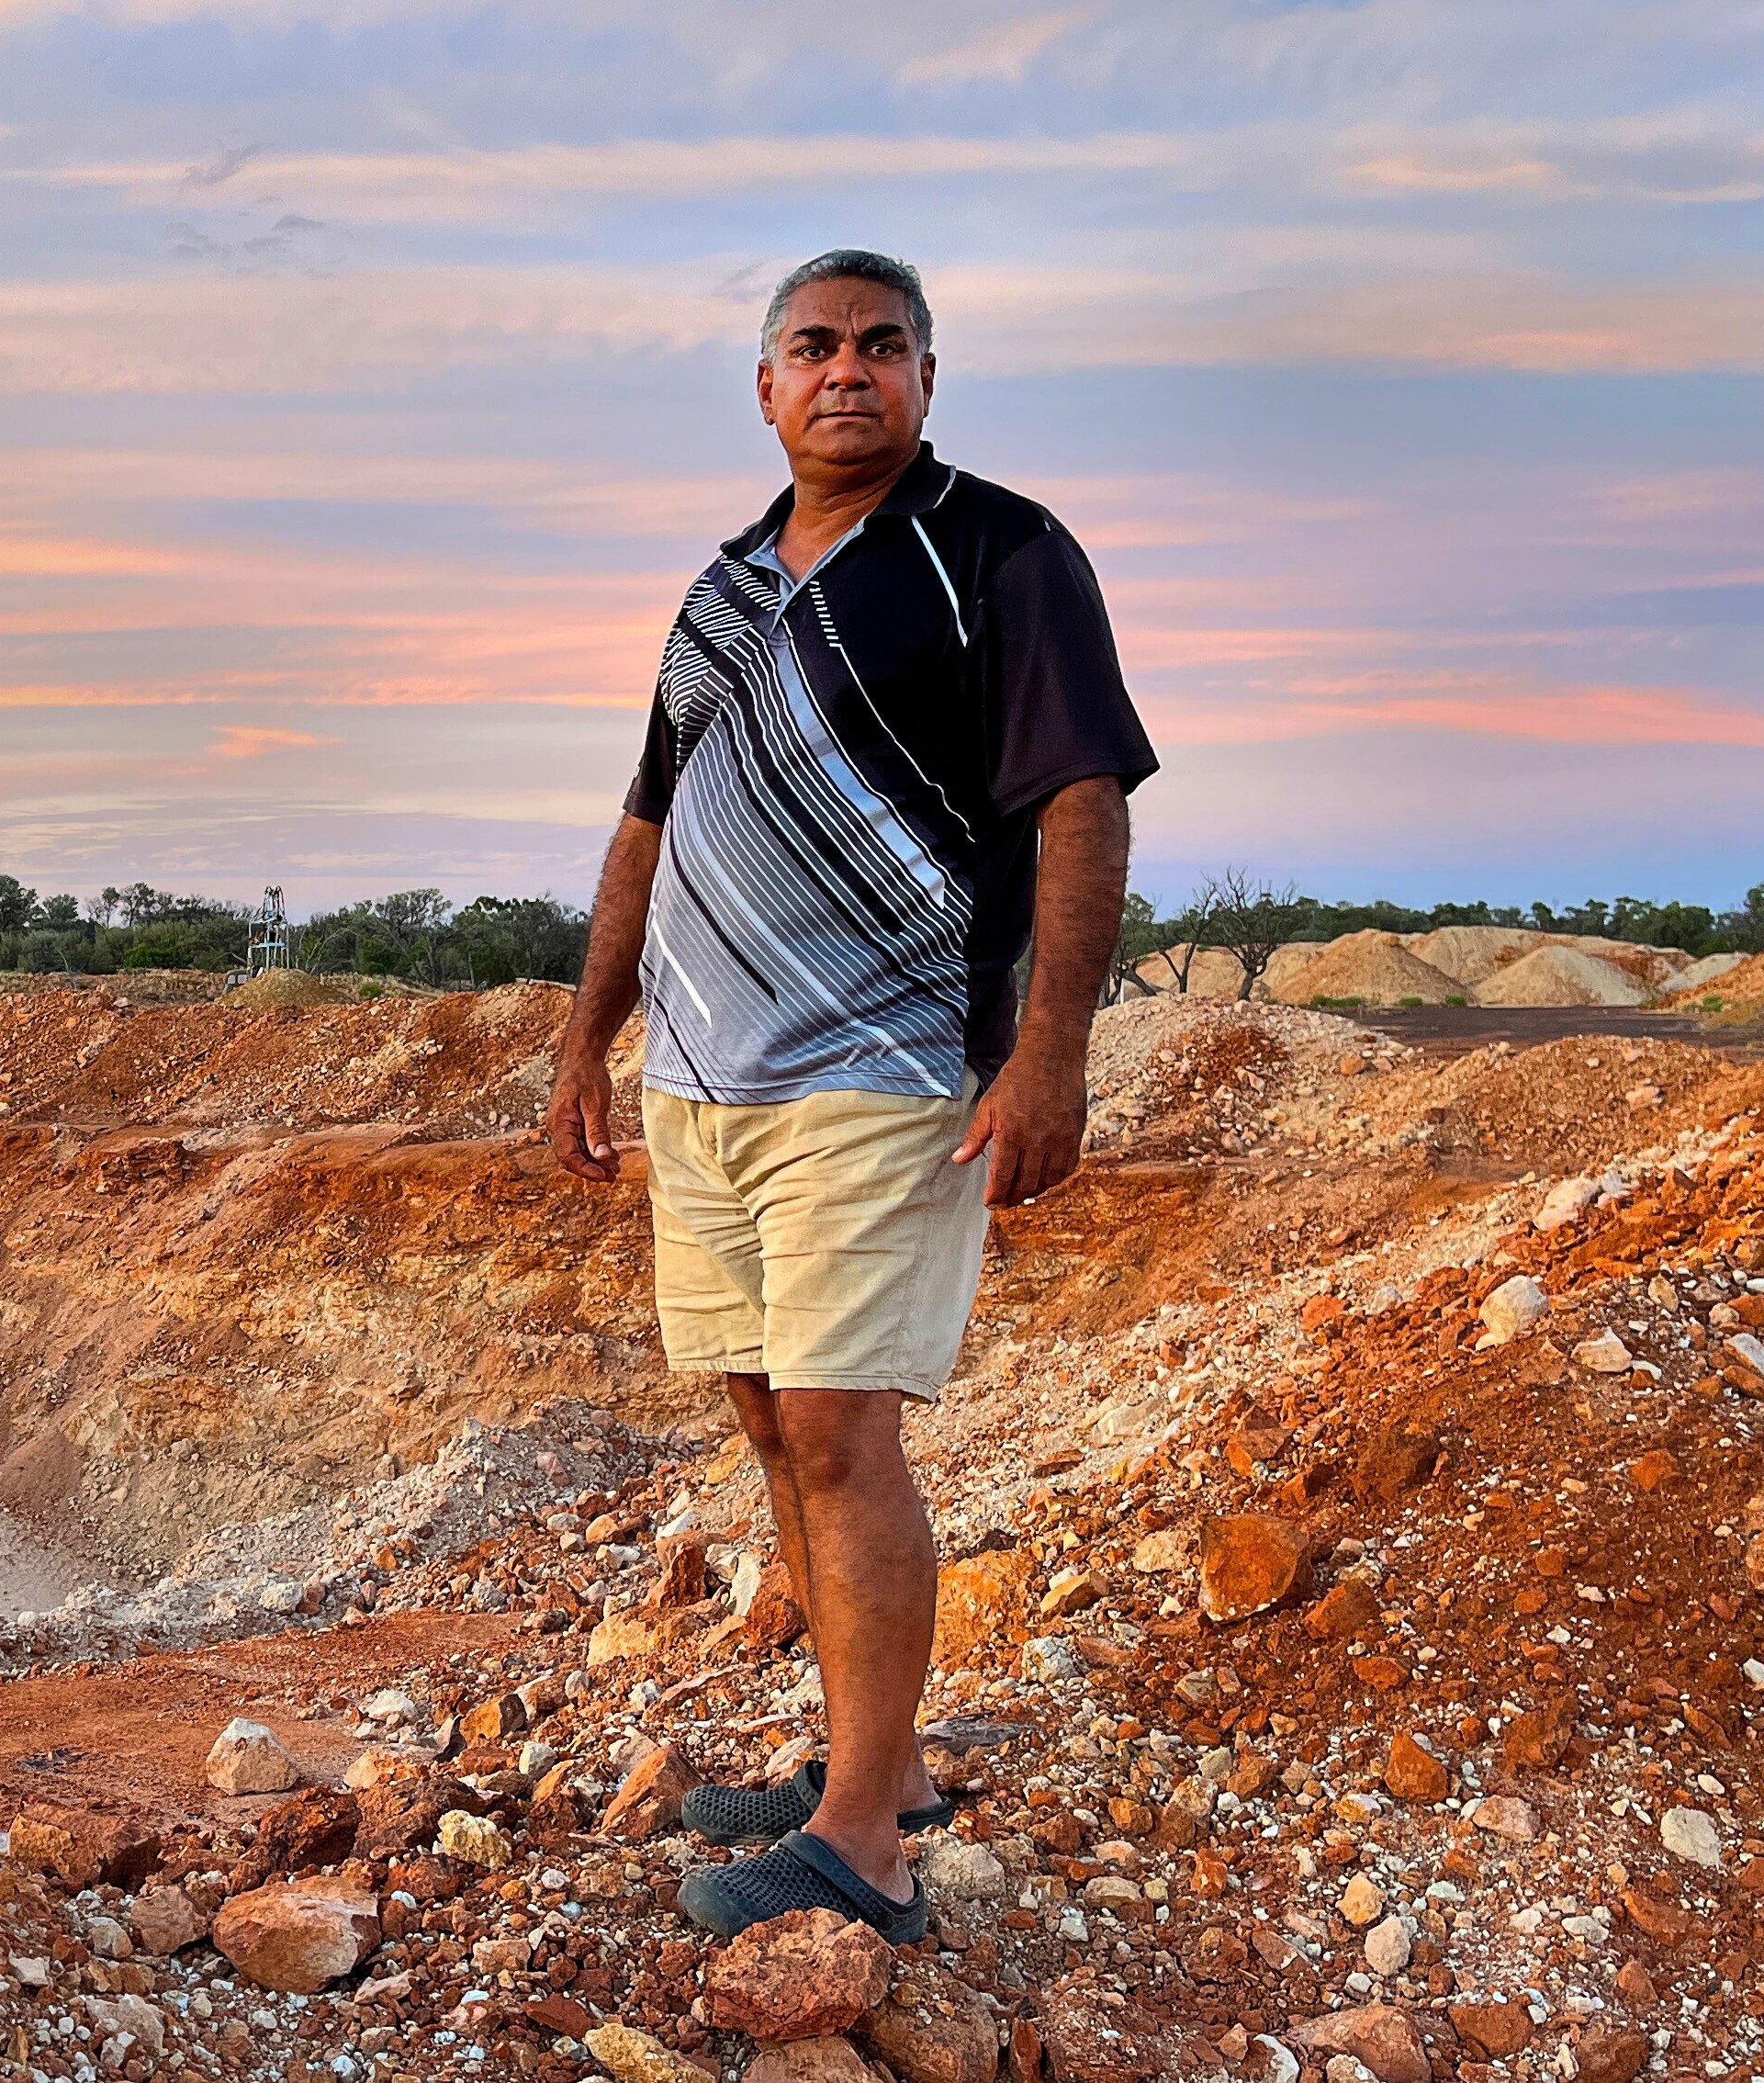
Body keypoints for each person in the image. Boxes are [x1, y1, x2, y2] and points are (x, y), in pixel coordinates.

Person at [545, 247, 1156, 1942]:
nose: (847, 373)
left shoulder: (1003, 555)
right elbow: (647, 828)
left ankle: (868, 1847)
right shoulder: (723, 587)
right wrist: (586, 1037)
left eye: (884, 347)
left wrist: (1054, 1047)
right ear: (764, 387)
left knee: (836, 1426)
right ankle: (853, 1768)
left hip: (882, 1069)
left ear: (928, 380)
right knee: (764, 1420)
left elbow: (1080, 802)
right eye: (813, 347)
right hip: (702, 1069)